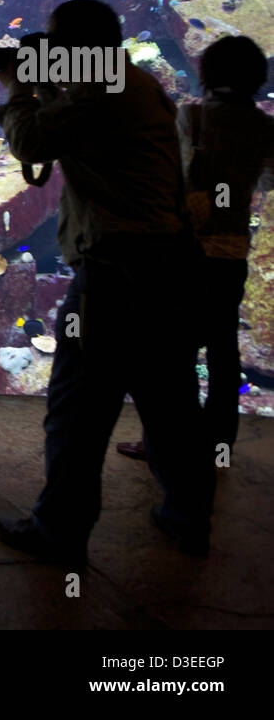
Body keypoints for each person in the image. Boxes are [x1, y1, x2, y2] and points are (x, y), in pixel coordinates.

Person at [0, 0, 215, 565]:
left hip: (117, 273)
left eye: (56, 40)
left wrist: (18, 84)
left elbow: (33, 143)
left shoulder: (101, 90)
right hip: (168, 265)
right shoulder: (133, 81)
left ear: (78, 48)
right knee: (171, 402)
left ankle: (58, 533)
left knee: (78, 407)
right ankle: (189, 519)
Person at [116, 36, 274, 464]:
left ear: (207, 72)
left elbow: (173, 176)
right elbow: (266, 181)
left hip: (184, 250)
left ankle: (161, 444)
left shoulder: (192, 116)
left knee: (169, 348)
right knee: (224, 351)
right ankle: (217, 447)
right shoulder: (264, 125)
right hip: (233, 251)